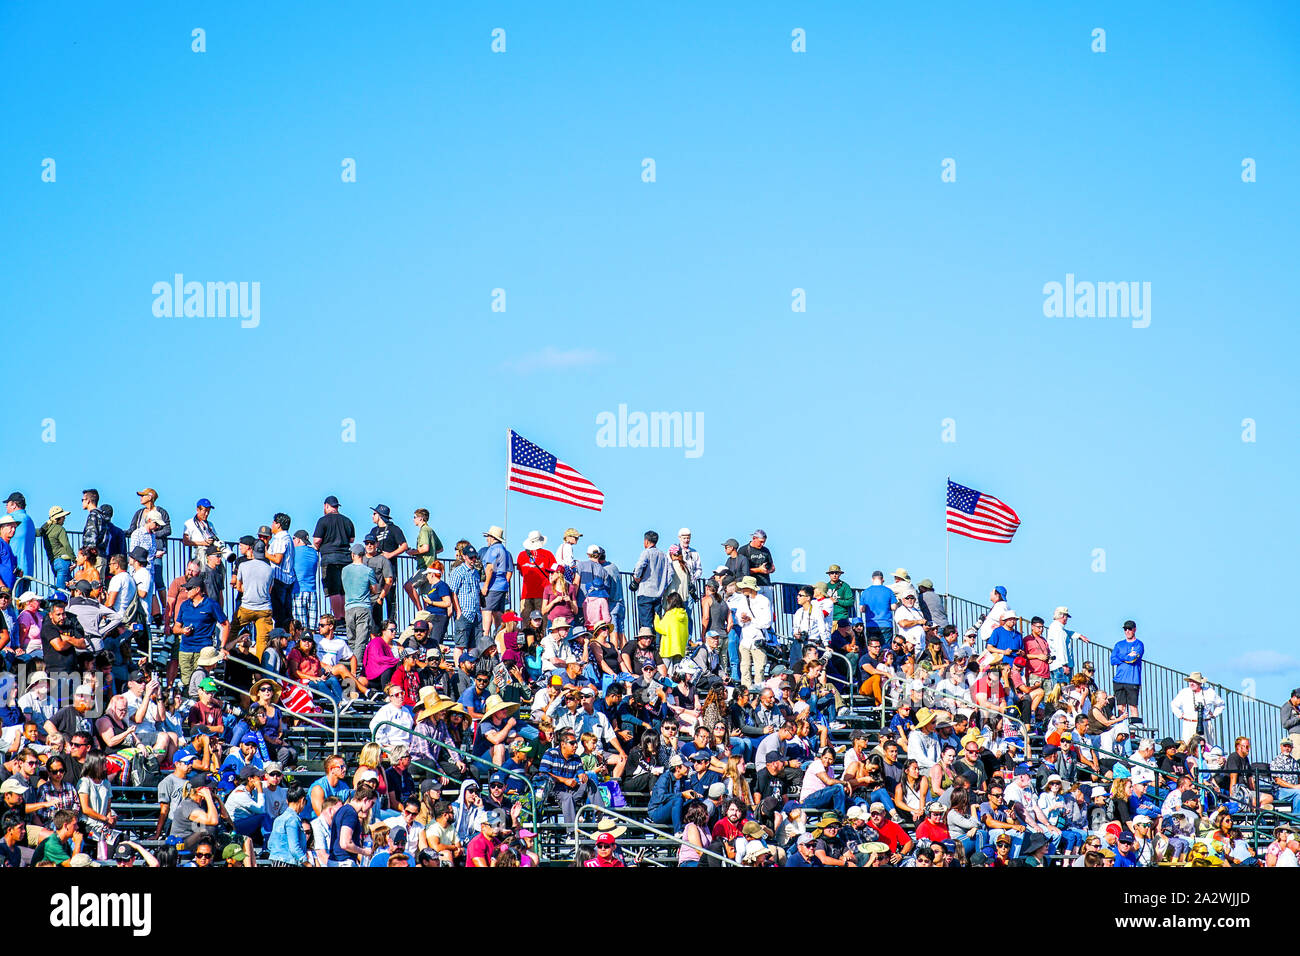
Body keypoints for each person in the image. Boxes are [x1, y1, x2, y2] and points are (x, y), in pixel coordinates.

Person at [313, 496, 356, 621]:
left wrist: (318, 547)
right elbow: (351, 539)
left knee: (333, 590)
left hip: (329, 559)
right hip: (346, 559)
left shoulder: (323, 521)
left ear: (326, 506)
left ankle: (338, 618)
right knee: (344, 590)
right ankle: (346, 618)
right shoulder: (347, 521)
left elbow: (317, 540)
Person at [1170, 671, 1225, 750]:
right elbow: (1174, 704)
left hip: (1205, 723)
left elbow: (1221, 704)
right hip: (1189, 723)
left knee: (1207, 747)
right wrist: (1179, 714)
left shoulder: (1209, 692)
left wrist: (1214, 714)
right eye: (1190, 681)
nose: (1192, 683)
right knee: (1188, 747)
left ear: (1200, 683)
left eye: (1194, 681)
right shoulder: (1184, 692)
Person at [630, 531, 672, 631]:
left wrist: (636, 578)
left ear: (646, 541)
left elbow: (640, 566)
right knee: (657, 622)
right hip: (658, 594)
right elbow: (670, 573)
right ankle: (657, 645)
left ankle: (647, 644)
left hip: (646, 592)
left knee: (646, 623)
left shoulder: (646, 553)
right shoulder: (663, 555)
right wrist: (664, 586)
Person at [1110, 620, 1144, 722]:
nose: (1127, 631)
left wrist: (1121, 657)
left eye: (1130, 629)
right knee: (1120, 706)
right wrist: (1126, 657)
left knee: (1133, 706)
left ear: (1134, 630)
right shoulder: (1119, 644)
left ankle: (1134, 729)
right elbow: (1113, 660)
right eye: (1125, 629)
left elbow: (1133, 659)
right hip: (1119, 680)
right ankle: (1121, 727)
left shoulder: (1139, 644)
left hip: (1133, 680)